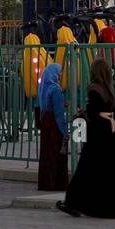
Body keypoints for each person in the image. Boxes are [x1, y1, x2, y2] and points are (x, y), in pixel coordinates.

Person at [57, 57, 115, 218]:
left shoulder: (94, 89)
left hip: (98, 134)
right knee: (109, 173)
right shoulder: (110, 90)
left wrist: (84, 112)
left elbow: (94, 113)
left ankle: (72, 202)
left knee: (84, 169)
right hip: (112, 132)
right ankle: (112, 208)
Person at [36, 62, 69, 191]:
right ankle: (57, 183)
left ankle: (46, 182)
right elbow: (59, 114)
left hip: (46, 122)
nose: (61, 74)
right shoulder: (55, 89)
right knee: (57, 154)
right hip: (54, 125)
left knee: (46, 154)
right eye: (59, 72)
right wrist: (65, 131)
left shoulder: (44, 87)